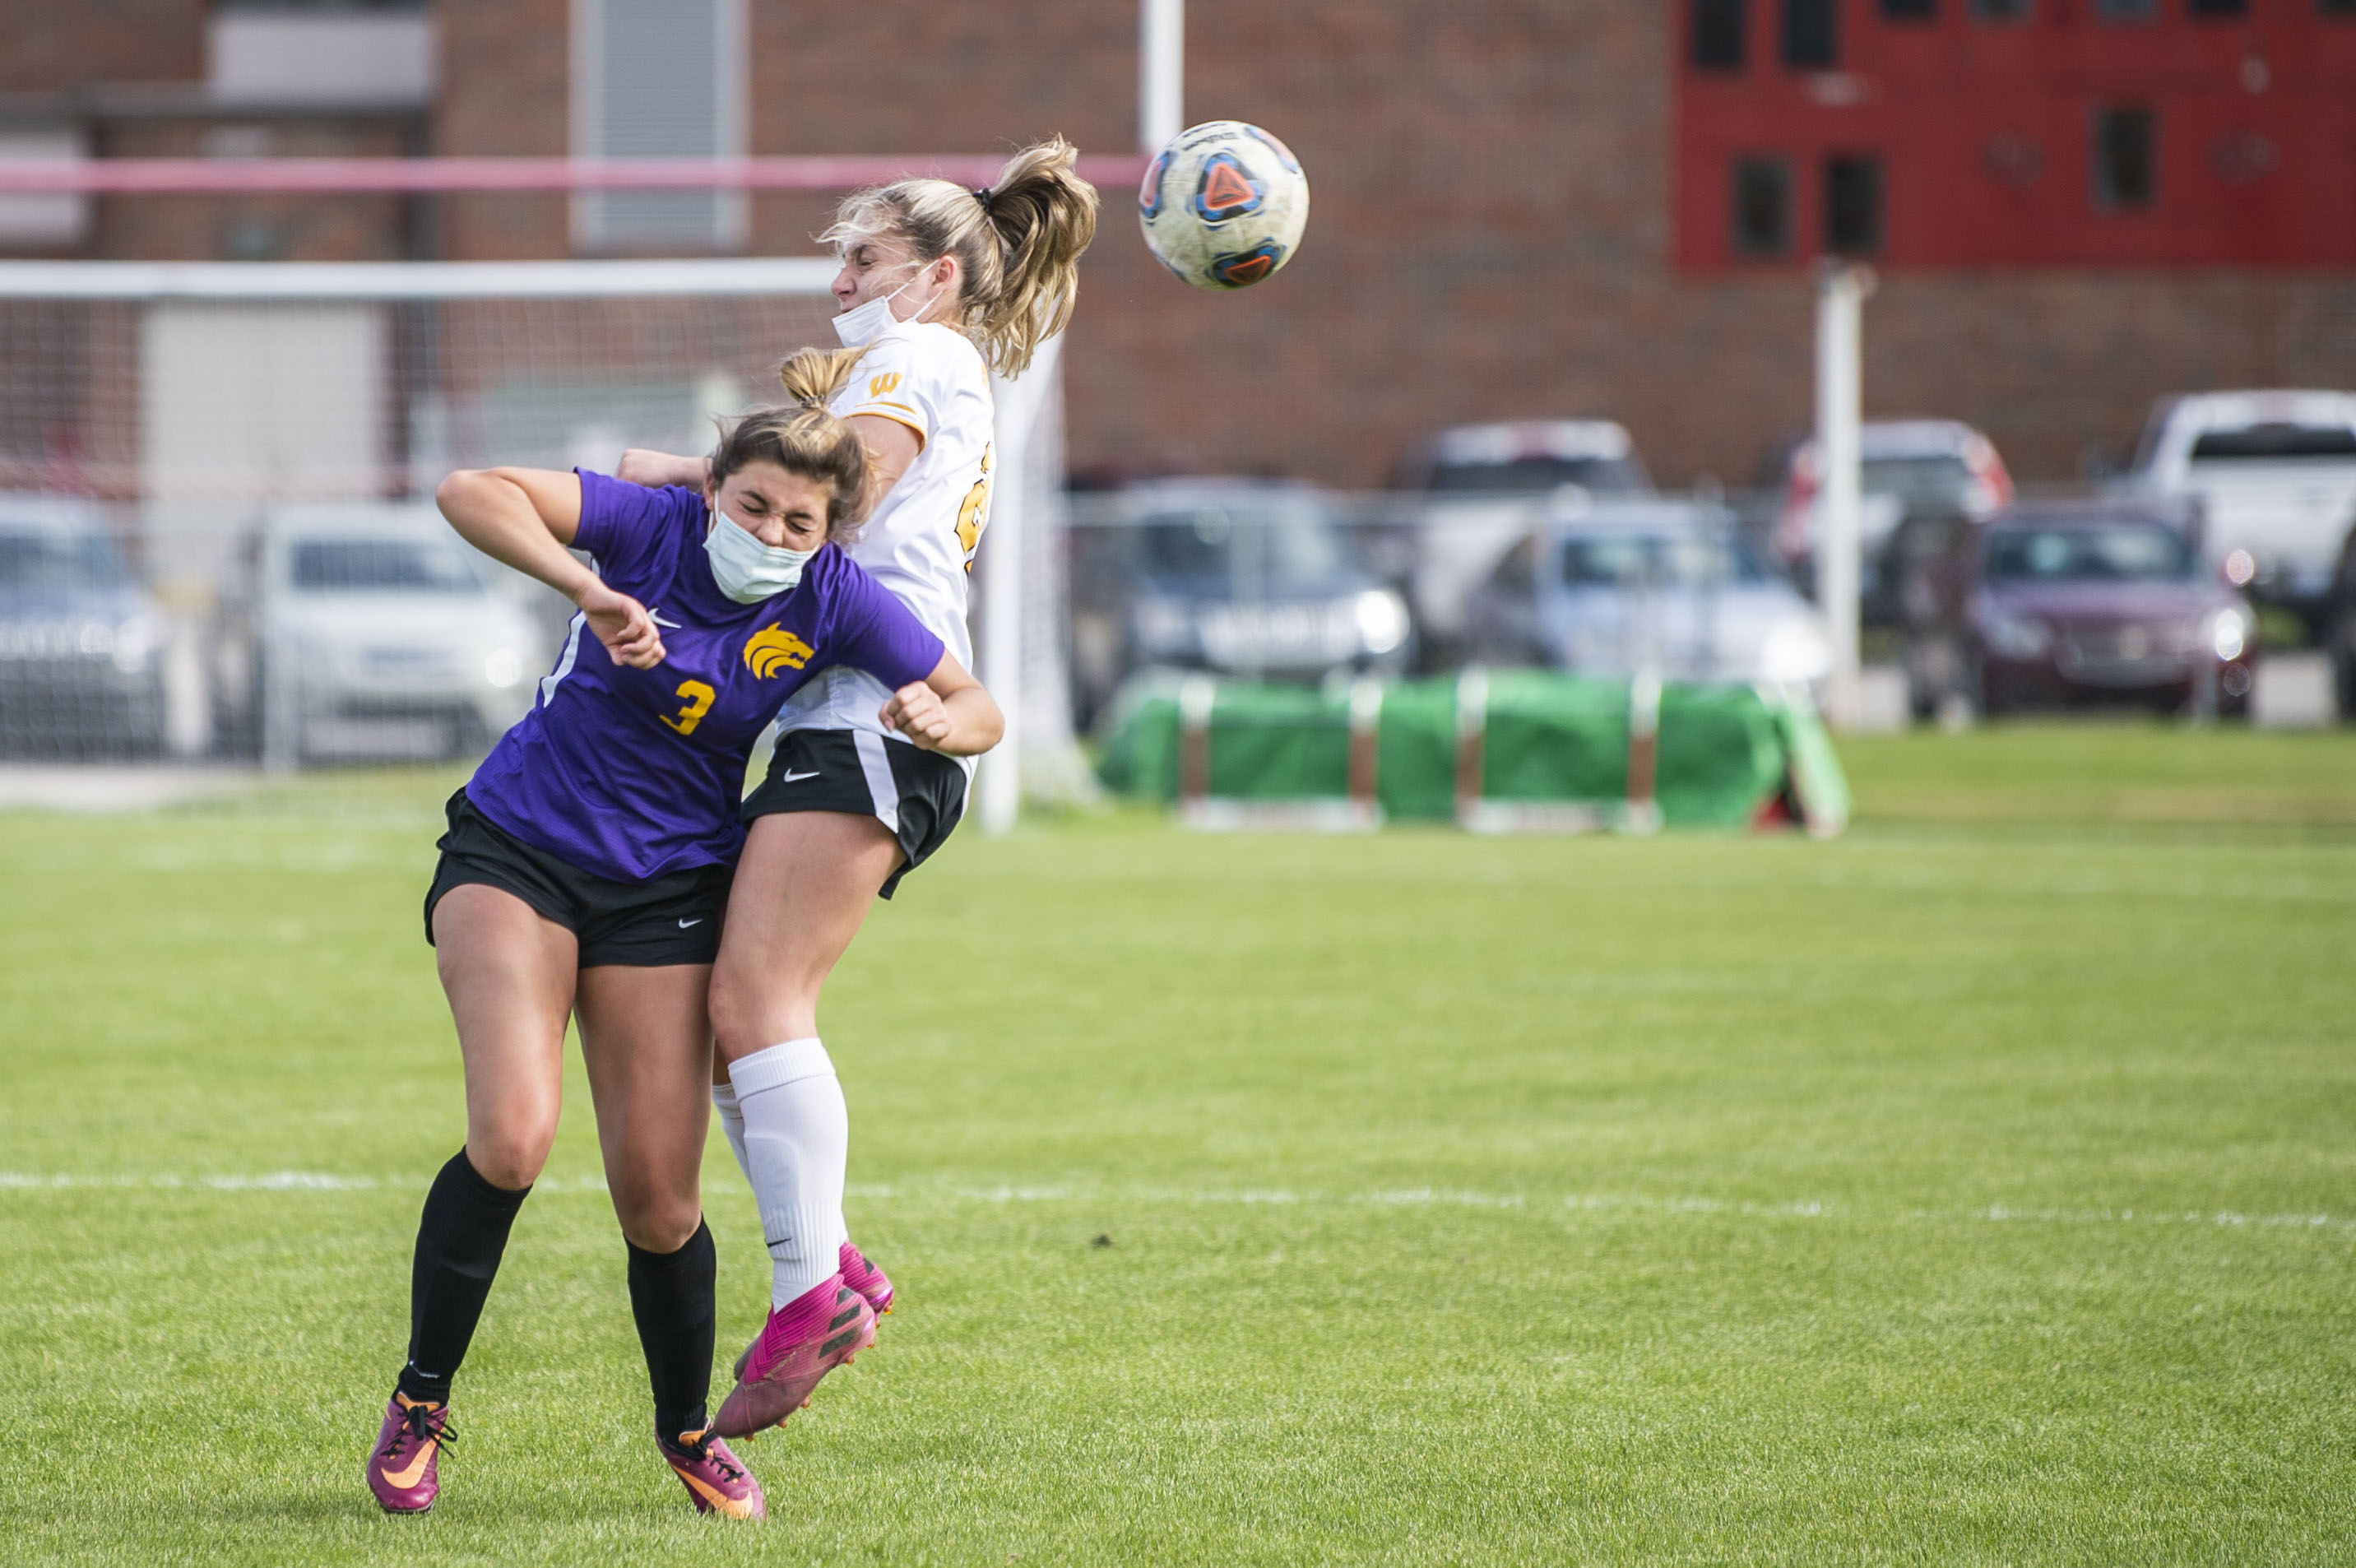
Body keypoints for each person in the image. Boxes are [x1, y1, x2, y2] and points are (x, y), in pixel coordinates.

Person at [365, 349, 1004, 1519]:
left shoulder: (834, 598)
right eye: (752, 503)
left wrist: (939, 717)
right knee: (513, 1137)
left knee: (659, 1200)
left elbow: (980, 704)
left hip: (664, 892)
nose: (767, 529)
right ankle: (419, 1401)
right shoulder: (652, 525)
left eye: (797, 520)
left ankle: (687, 1431)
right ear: (715, 488)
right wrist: (585, 586)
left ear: (828, 535)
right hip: (516, 851)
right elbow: (473, 489)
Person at [618, 136, 1099, 1439]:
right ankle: (829, 1256)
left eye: (864, 255)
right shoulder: (930, 359)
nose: (840, 274)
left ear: (936, 277)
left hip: (877, 714)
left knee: (757, 1000)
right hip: (853, 713)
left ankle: (806, 1291)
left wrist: (677, 481)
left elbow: (839, 491)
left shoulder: (921, 356)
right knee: (732, 1012)